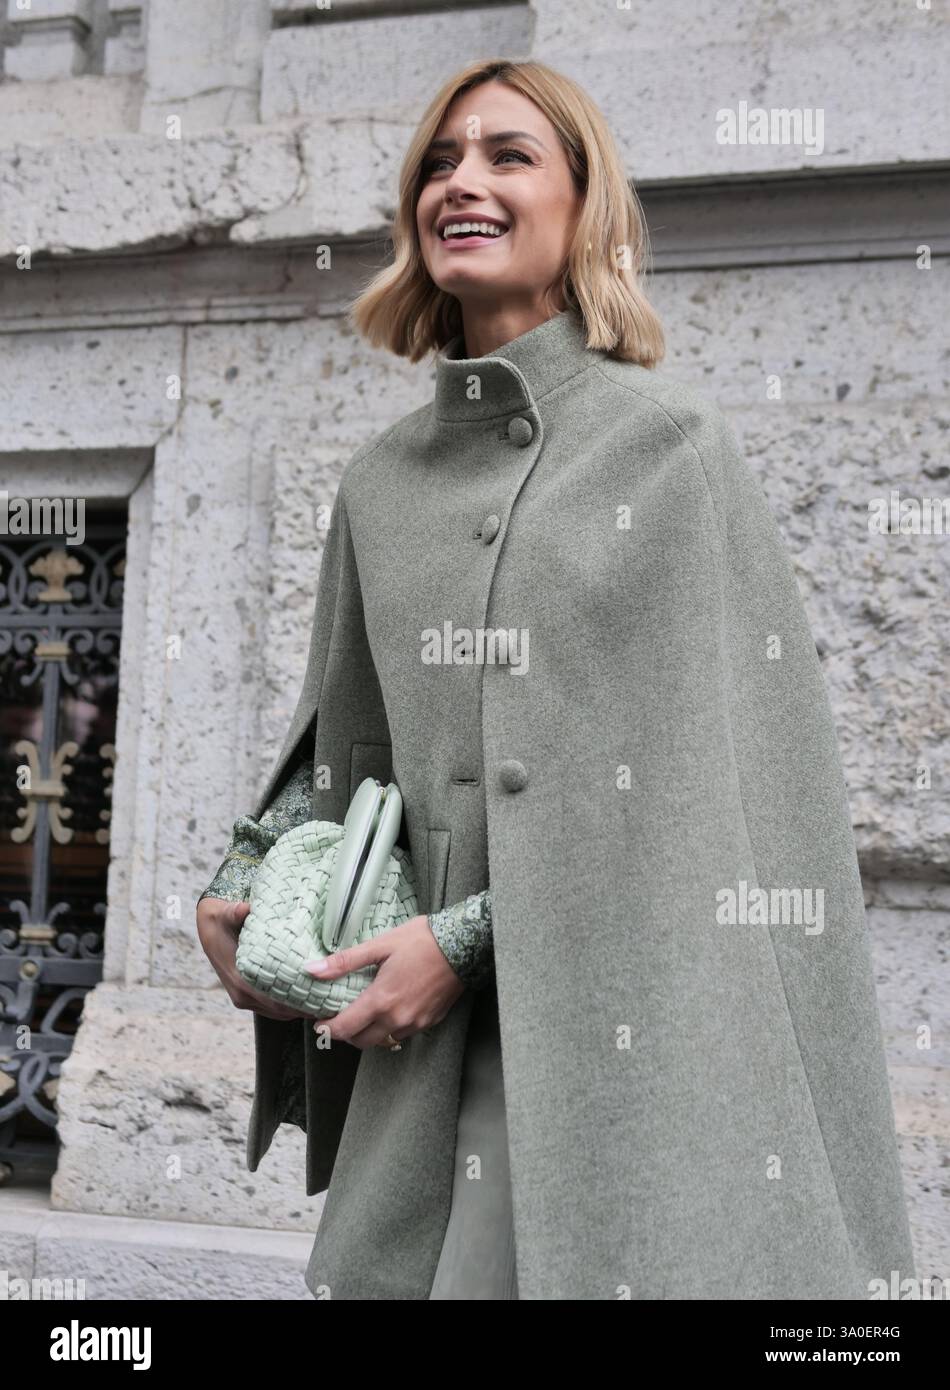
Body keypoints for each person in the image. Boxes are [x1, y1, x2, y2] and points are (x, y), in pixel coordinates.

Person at [196, 59, 915, 1301]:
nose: (460, 182)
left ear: (584, 207)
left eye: (506, 156)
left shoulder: (669, 449)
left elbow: (700, 803)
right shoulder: (382, 481)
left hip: (629, 1048)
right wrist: (252, 881)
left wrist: (467, 941)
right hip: (422, 1067)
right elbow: (346, 752)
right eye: (438, 161)